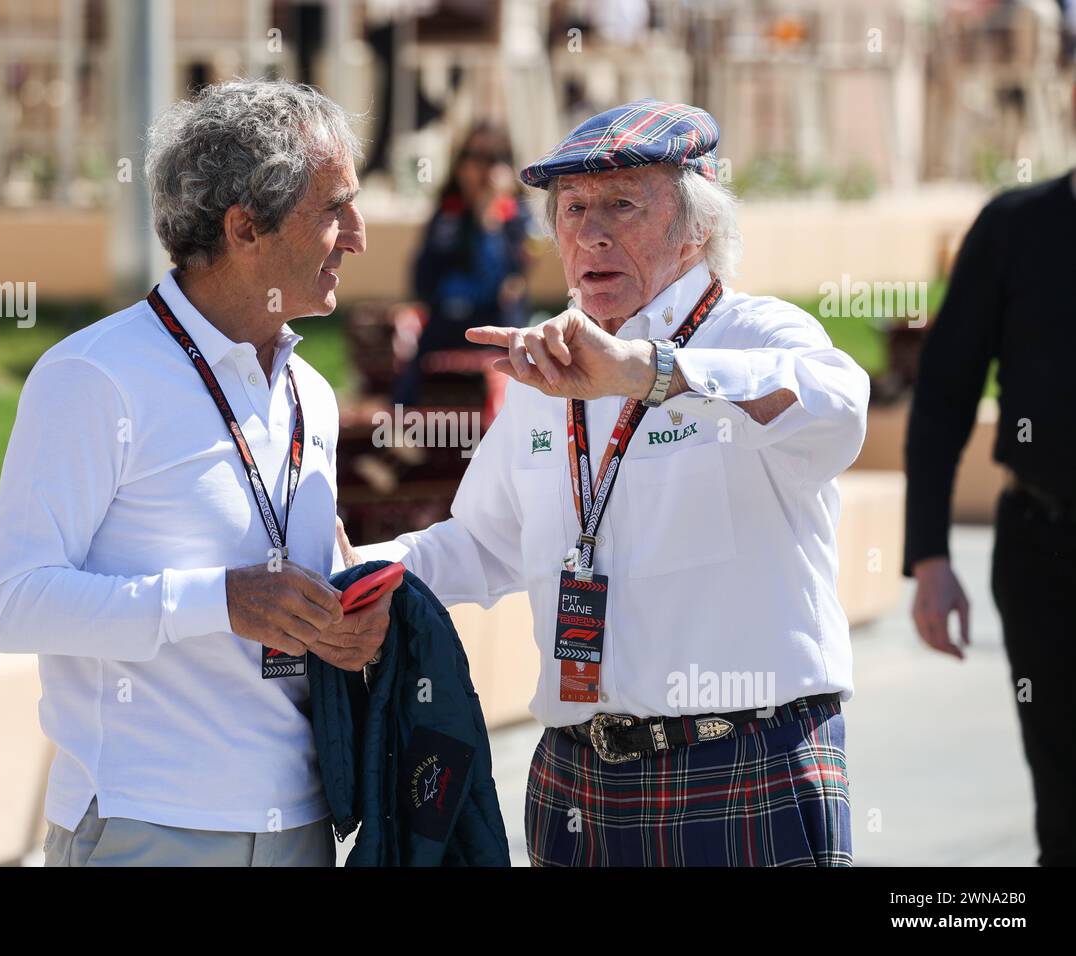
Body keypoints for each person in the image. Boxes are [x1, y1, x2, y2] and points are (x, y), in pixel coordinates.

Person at [349, 99, 870, 866]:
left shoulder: (758, 334)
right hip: (578, 782)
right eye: (571, 208)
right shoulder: (545, 368)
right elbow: (484, 544)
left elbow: (839, 408)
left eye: (622, 204)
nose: (589, 231)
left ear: (698, 226)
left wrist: (652, 372)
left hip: (744, 763)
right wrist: (355, 573)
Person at [0, 80, 389, 867]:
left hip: (303, 829)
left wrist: (351, 620)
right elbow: (14, 604)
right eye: (334, 208)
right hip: (144, 827)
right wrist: (221, 602)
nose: (359, 236)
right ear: (245, 229)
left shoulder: (310, 393)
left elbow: (292, 590)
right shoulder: (93, 377)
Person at [905, 167, 1076, 867]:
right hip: (1048, 552)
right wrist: (930, 558)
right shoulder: (1015, 225)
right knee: (1067, 808)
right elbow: (945, 391)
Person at [392, 122, 533, 406]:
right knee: (410, 389)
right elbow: (422, 282)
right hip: (446, 329)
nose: (484, 169)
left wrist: (488, 221)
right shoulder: (447, 214)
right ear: (460, 165)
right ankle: (403, 438)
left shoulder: (516, 217)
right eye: (475, 157)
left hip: (497, 330)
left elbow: (507, 282)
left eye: (494, 158)